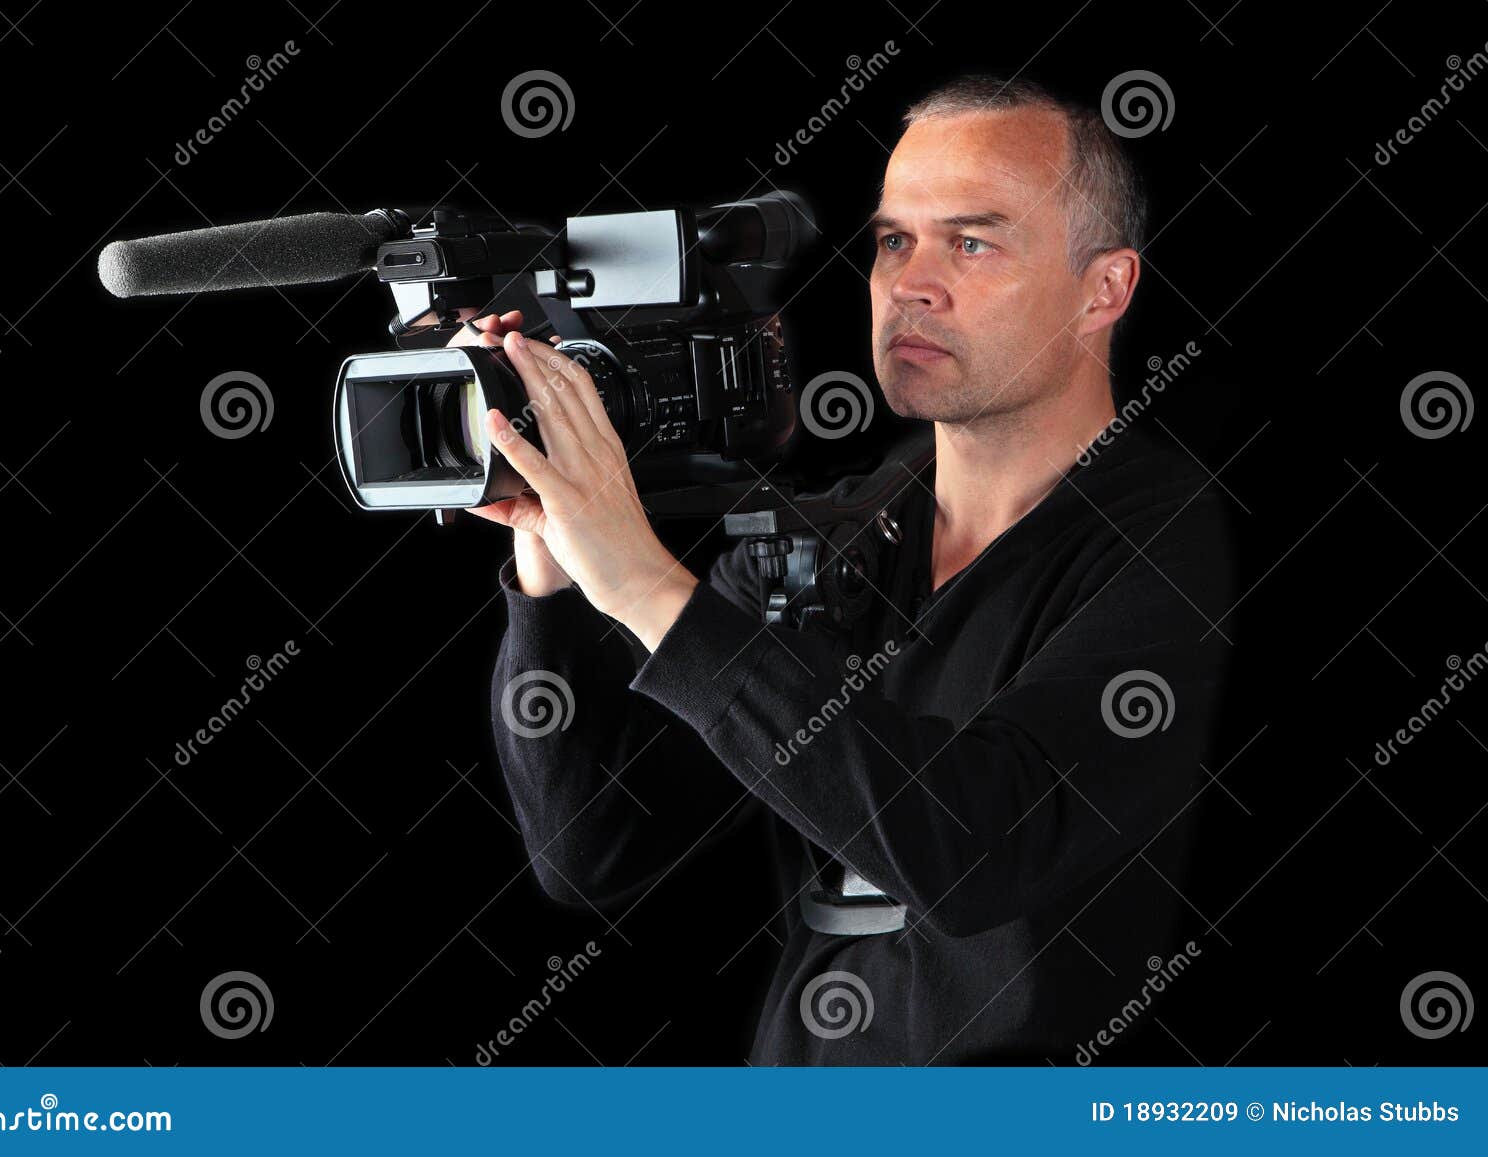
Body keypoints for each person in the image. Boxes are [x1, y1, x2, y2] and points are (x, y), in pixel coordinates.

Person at [461, 74, 1238, 1064]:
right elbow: (595, 850)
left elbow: (971, 851)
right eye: (892, 239)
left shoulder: (1171, 538)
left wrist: (650, 588)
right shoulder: (829, 538)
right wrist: (555, 563)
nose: (911, 280)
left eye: (972, 240)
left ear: (1103, 289)